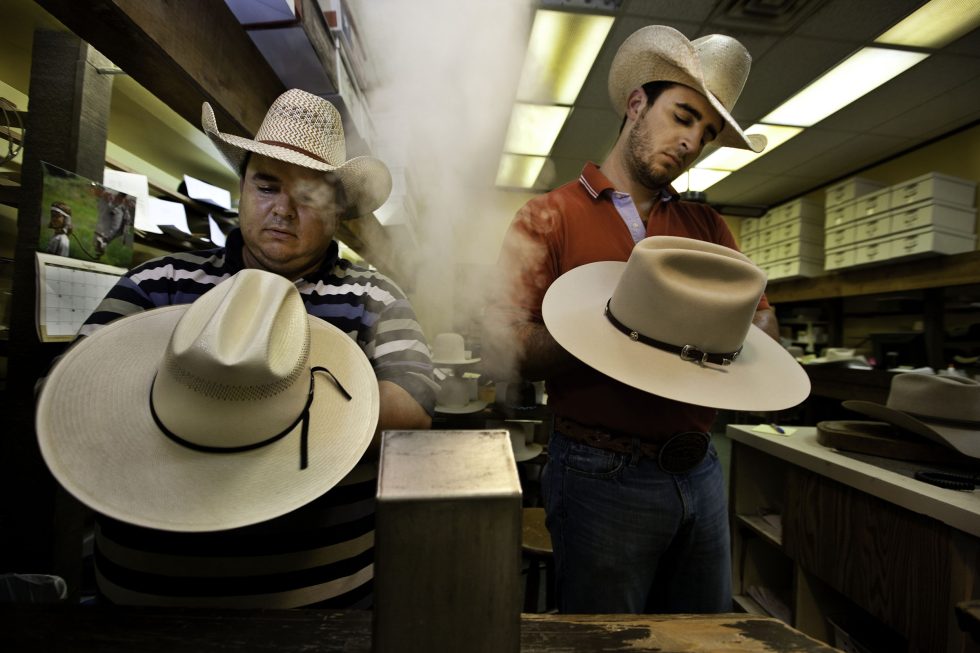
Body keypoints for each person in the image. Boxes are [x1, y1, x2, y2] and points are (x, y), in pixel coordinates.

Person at [60, 88, 436, 608]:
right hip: (144, 602)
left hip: (318, 606)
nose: (283, 210)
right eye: (266, 185)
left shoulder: (374, 297)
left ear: (338, 211)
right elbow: (68, 389)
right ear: (241, 188)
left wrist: (248, 400)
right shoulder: (158, 280)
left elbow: (412, 408)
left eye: (308, 196)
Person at [483, 25, 783, 614]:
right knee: (605, 640)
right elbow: (507, 348)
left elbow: (763, 331)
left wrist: (714, 327)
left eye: (706, 131)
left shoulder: (709, 229)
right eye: (683, 116)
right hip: (600, 472)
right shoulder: (548, 216)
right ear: (637, 103)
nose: (692, 141)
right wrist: (612, 326)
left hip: (699, 466)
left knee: (703, 639)